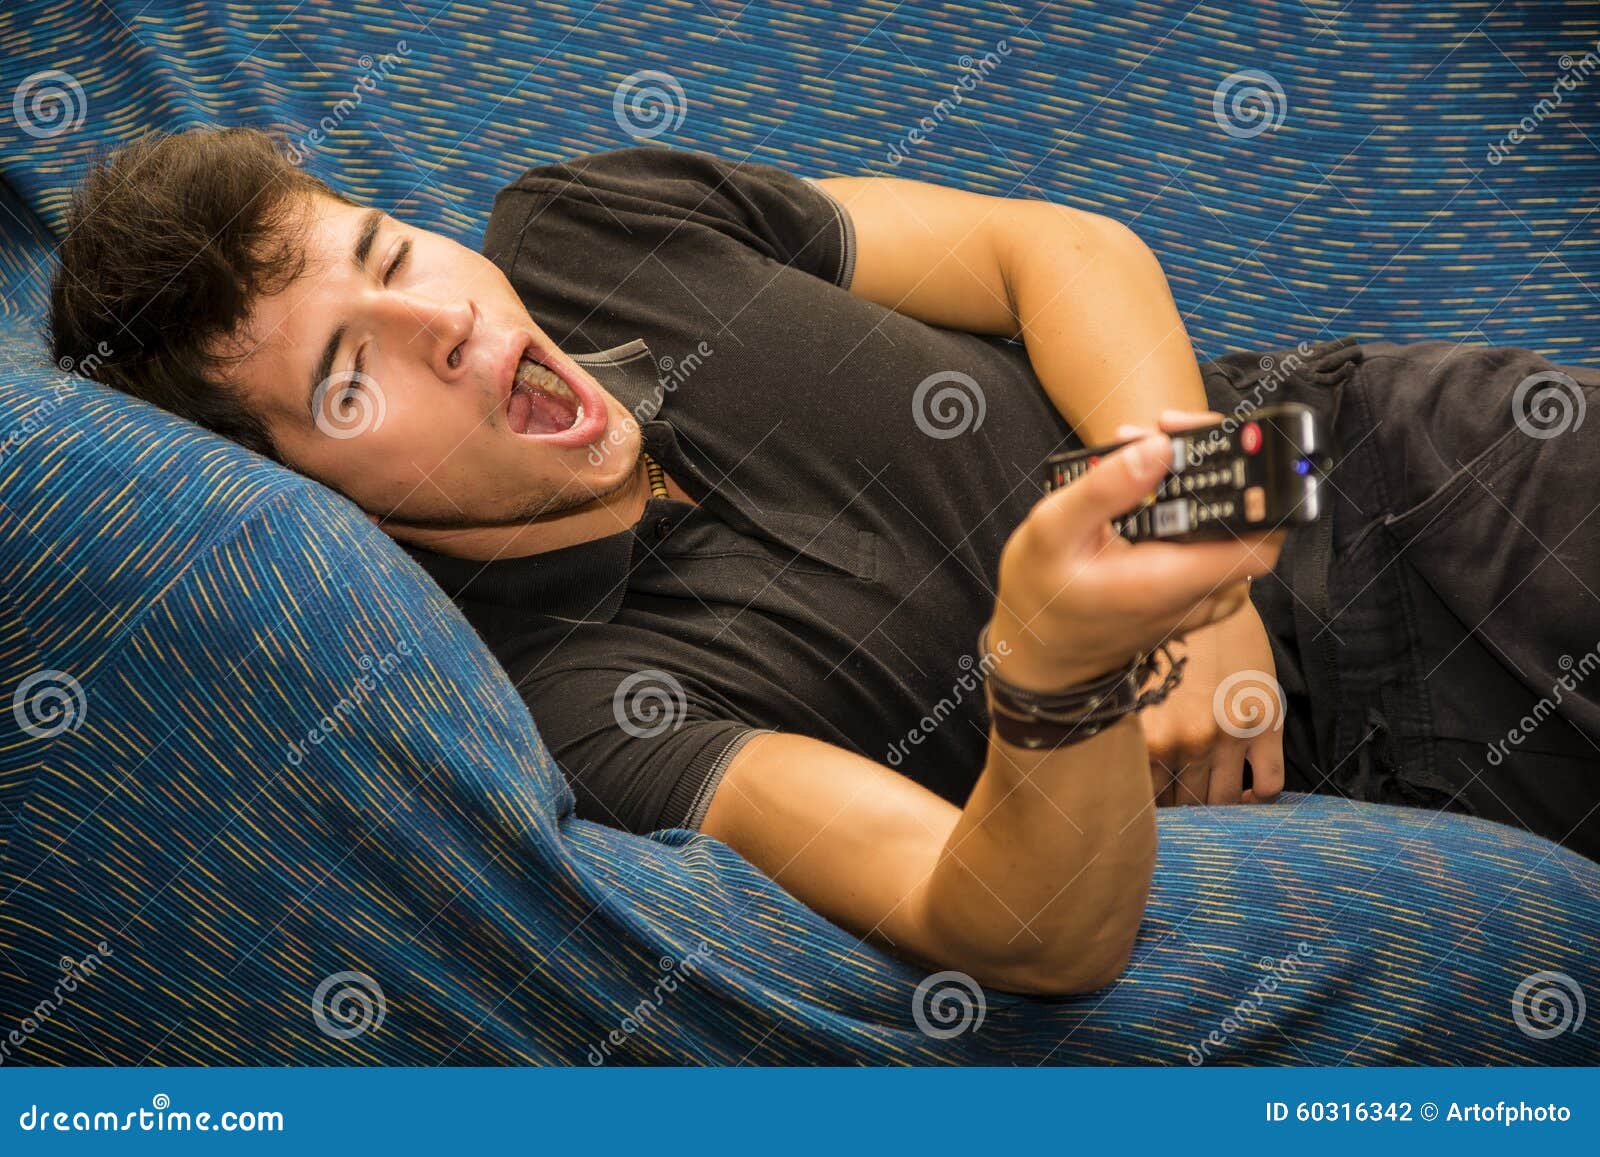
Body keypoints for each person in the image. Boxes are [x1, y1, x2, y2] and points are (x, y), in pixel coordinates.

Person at [47, 129, 1598, 991]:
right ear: (324, 505)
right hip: (1386, 778)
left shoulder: (583, 226)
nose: (442, 320)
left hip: (1390, 478)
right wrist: (1057, 674)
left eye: (391, 253)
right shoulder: (579, 709)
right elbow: (1014, 925)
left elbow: (1054, 249)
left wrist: (1198, 541)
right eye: (348, 379)